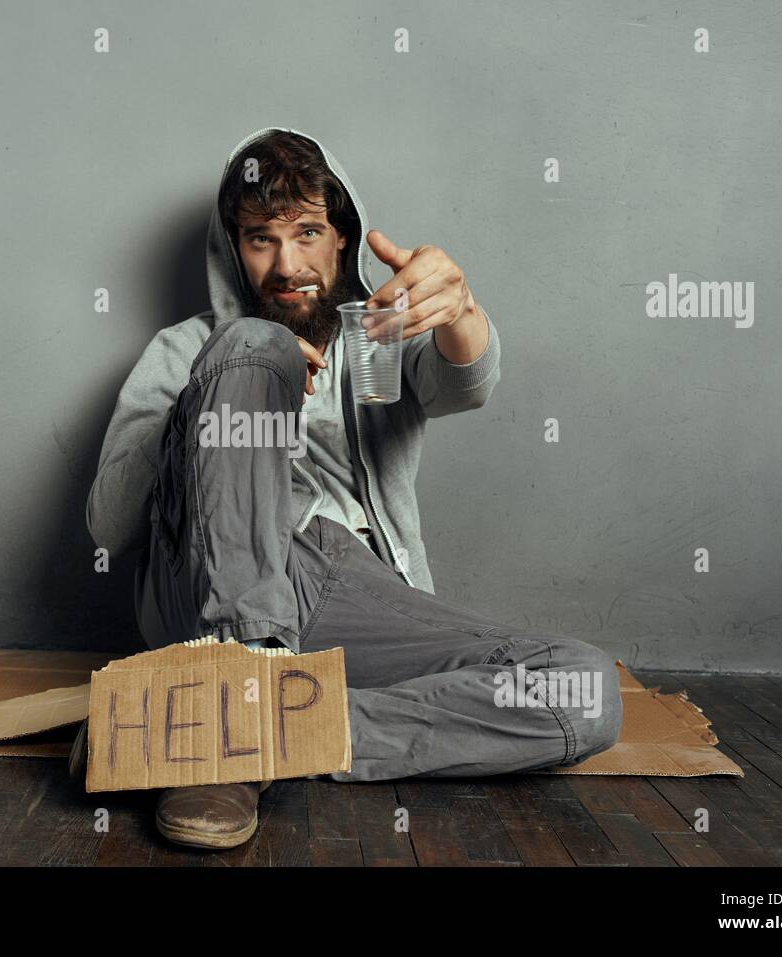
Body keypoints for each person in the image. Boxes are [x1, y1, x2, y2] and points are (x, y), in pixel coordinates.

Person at [79, 127, 623, 850]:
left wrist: (458, 307)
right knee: (254, 343)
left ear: (343, 238)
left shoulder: (380, 336)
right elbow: (111, 524)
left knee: (580, 690)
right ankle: (237, 678)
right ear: (234, 250)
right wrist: (215, 394)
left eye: (308, 231)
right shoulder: (187, 348)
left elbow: (468, 379)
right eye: (260, 239)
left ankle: (239, 733)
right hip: (201, 585)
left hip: (347, 588)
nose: (288, 262)